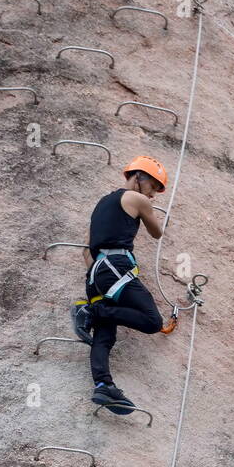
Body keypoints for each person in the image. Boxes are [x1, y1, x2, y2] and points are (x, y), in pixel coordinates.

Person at [72, 155, 169, 414]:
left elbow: (86, 250)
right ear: (140, 177)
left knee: (104, 336)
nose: (154, 195)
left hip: (96, 274)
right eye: (153, 187)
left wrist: (100, 275)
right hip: (117, 268)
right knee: (152, 321)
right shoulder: (137, 199)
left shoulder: (102, 205)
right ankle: (91, 311)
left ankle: (104, 385)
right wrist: (150, 210)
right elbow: (157, 233)